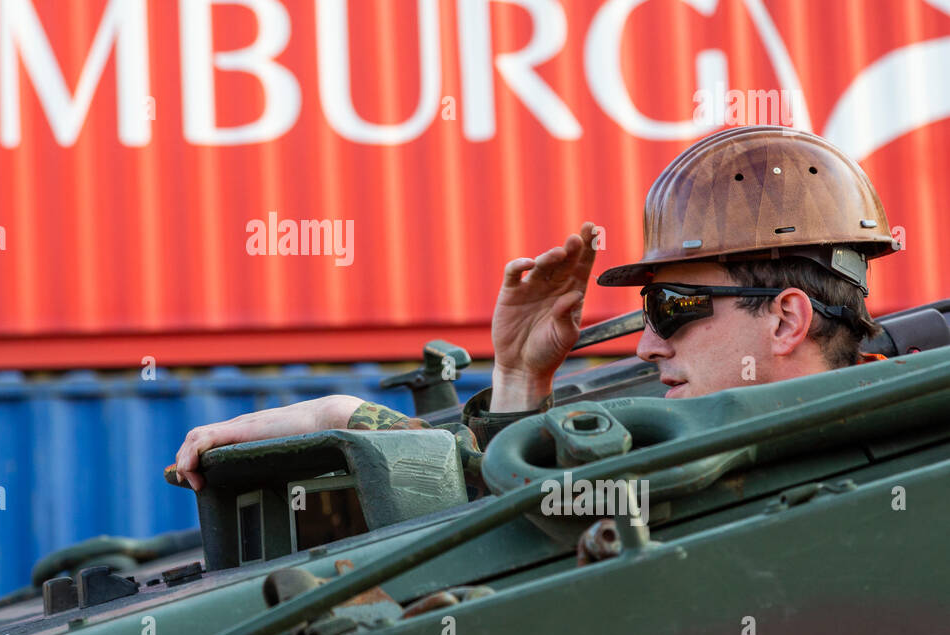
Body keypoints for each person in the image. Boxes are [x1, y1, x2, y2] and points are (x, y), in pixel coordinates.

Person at [173, 126, 898, 492]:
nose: (646, 347)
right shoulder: (726, 445)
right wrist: (516, 377)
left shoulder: (892, 460)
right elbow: (526, 509)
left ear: (786, 320)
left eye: (675, 306)